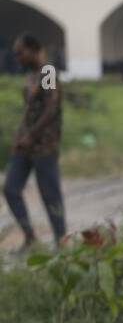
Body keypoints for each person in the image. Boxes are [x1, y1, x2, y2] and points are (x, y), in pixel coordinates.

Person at [4, 34, 65, 251]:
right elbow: (30, 109)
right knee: (11, 189)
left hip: (44, 146)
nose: (17, 57)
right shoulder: (31, 76)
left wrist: (32, 134)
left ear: (33, 50)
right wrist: (21, 135)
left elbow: (51, 107)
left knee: (50, 195)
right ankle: (30, 237)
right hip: (24, 146)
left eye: (21, 52)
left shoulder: (47, 72)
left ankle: (61, 241)